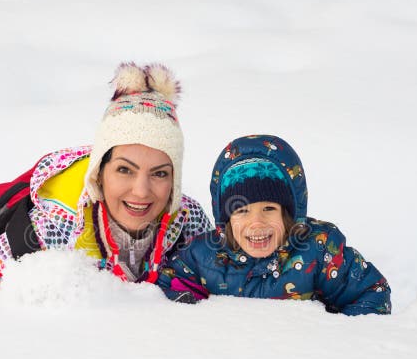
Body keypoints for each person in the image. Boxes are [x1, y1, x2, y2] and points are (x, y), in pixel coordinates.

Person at [0, 63, 213, 298]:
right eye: (124, 170)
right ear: (99, 173)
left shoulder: (189, 222)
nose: (141, 191)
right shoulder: (48, 230)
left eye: (160, 173)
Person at [157, 134, 391, 315]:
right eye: (242, 211)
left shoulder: (318, 251)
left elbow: (372, 292)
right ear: (226, 219)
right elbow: (172, 279)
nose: (256, 222)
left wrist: (333, 335)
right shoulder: (207, 255)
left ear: (288, 214)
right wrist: (195, 318)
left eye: (269, 209)